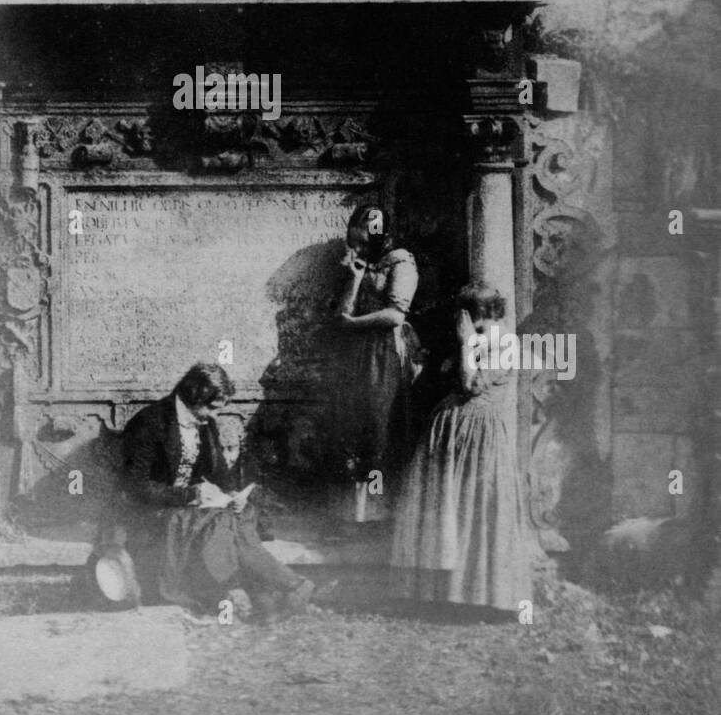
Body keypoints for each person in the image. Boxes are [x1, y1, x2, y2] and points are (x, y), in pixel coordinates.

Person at [108, 363, 314, 620]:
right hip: (153, 511)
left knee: (238, 513)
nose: (215, 416)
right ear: (194, 397)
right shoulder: (150, 423)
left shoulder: (203, 421)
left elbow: (218, 473)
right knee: (223, 522)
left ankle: (267, 598)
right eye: (213, 408)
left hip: (192, 507)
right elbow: (134, 487)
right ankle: (283, 589)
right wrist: (189, 495)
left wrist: (233, 494)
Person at [388, 283, 532, 615]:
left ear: (472, 313)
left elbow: (471, 385)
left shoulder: (506, 342)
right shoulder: (479, 339)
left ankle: (478, 596)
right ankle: (443, 594)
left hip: (480, 435)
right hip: (452, 434)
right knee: (451, 513)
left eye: (462, 315)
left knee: (474, 511)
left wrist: (467, 342)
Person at [332, 204, 423, 519]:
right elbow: (343, 311)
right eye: (364, 224)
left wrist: (352, 325)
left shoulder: (401, 261)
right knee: (354, 427)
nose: (371, 231)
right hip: (355, 357)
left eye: (376, 225)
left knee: (379, 428)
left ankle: (377, 511)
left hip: (384, 354)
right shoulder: (360, 262)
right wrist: (354, 277)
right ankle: (355, 512)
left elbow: (395, 315)